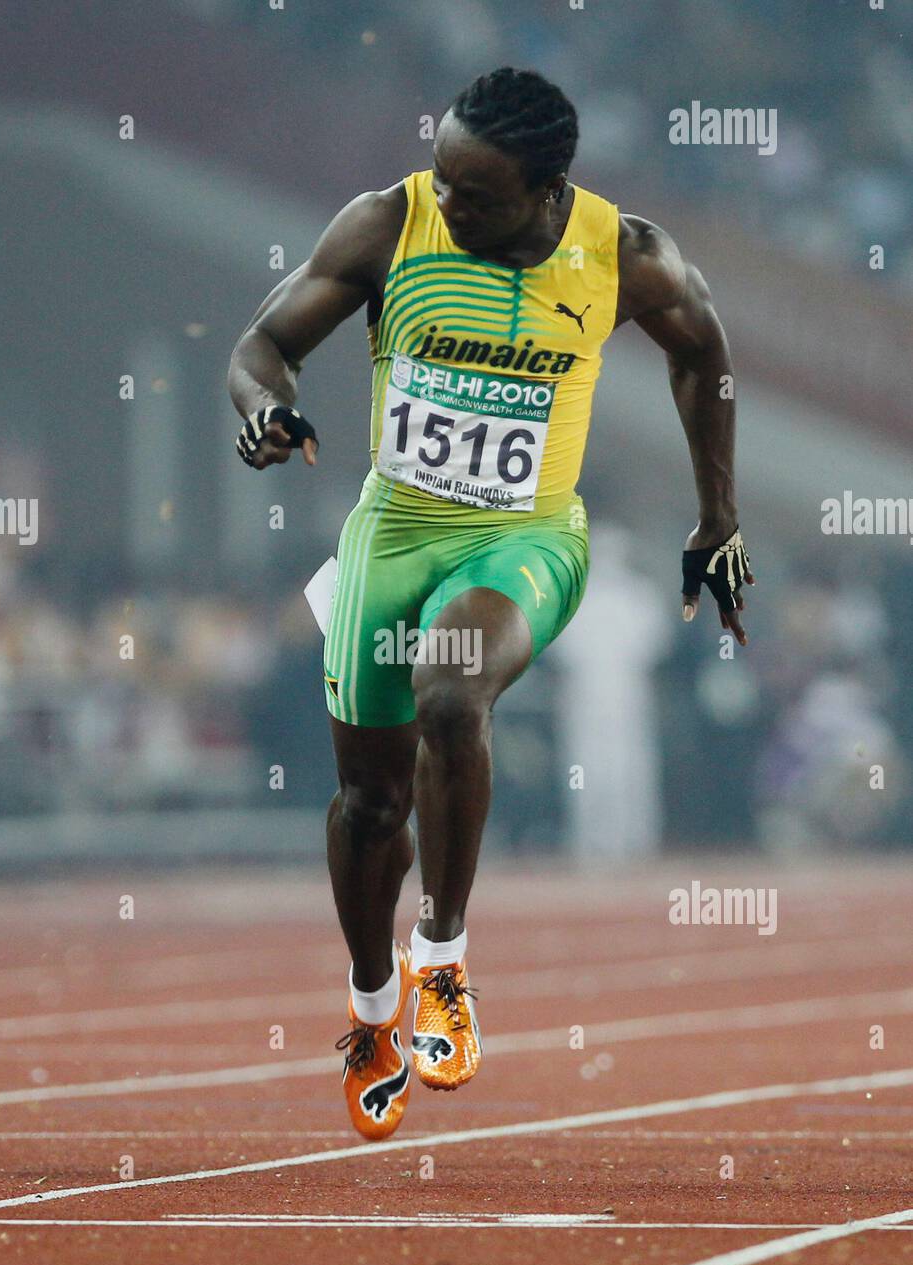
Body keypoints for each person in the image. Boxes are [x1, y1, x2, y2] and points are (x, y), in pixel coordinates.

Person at [227, 67, 753, 1141]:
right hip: (396, 533)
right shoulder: (389, 224)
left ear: (546, 189)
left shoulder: (622, 253)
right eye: (443, 177)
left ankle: (442, 963)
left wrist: (716, 519)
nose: (448, 201)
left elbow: (704, 355)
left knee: (454, 697)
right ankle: (372, 1008)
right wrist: (266, 411)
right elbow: (261, 347)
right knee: (369, 807)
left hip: (524, 537)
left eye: (474, 191)